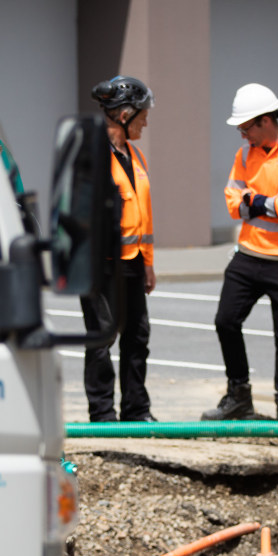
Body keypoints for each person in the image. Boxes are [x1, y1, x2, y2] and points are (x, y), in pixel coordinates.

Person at [201, 83, 278, 422]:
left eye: (245, 127)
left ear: (265, 121)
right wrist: (260, 203)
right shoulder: (245, 154)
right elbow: (233, 204)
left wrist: (254, 201)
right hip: (248, 255)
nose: (242, 135)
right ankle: (239, 395)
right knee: (225, 321)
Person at [81, 75, 158, 423]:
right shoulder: (92, 154)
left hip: (132, 262)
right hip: (101, 264)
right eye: (142, 114)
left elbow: (142, 213)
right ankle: (102, 415)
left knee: (137, 337)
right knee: (102, 338)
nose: (146, 121)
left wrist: (148, 263)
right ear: (124, 115)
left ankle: (136, 411)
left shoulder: (135, 155)